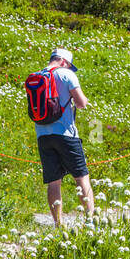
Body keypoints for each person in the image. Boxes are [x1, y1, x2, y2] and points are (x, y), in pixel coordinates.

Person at [33, 48, 95, 227]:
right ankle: (90, 220)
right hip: (66, 134)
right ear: (64, 62)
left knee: (53, 181)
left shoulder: (38, 75)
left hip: (43, 134)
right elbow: (81, 103)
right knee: (81, 177)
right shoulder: (67, 75)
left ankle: (58, 224)